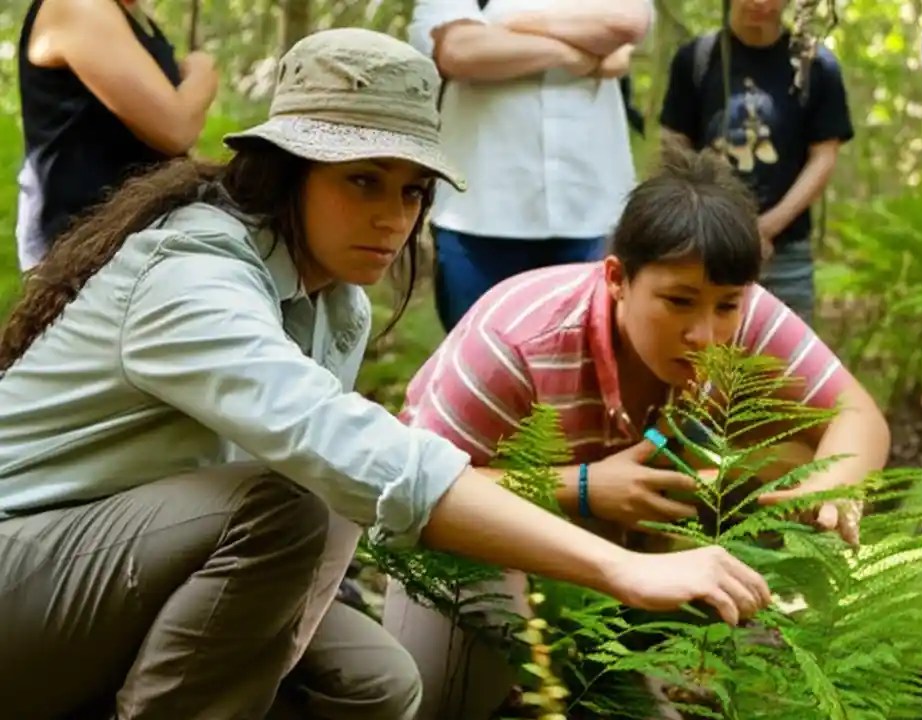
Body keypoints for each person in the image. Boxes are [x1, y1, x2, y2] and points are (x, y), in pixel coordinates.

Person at [0, 28, 771, 720]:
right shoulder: (192, 273)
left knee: (375, 686)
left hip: (122, 573)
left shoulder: (338, 308)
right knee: (302, 498)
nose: (393, 217)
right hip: (22, 572)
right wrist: (621, 569)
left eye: (412, 190)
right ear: (287, 171)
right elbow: (352, 455)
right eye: (362, 180)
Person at [385, 144, 892, 719]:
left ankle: (627, 667)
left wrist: (834, 488)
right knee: (434, 700)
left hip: (637, 532)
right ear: (617, 278)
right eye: (678, 302)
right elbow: (414, 489)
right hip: (473, 536)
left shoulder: (741, 313)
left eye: (727, 305)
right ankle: (568, 667)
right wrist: (580, 486)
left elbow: (858, 416)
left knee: (799, 448)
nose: (705, 333)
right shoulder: (517, 340)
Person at [408, 0, 651, 332]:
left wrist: (513, 26)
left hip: (593, 207)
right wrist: (574, 55)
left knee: (590, 363)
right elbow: (459, 51)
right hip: (479, 210)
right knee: (477, 358)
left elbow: (627, 22)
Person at [659, 0, 854, 324]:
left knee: (786, 367)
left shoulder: (815, 65)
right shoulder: (696, 59)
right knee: (701, 360)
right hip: (705, 243)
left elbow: (823, 156)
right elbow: (674, 143)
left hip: (785, 252)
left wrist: (765, 227)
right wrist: (709, 218)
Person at [15, 0, 218, 271]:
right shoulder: (79, 6)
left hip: (133, 240)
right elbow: (175, 127)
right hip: (83, 254)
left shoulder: (130, 17)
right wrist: (203, 74)